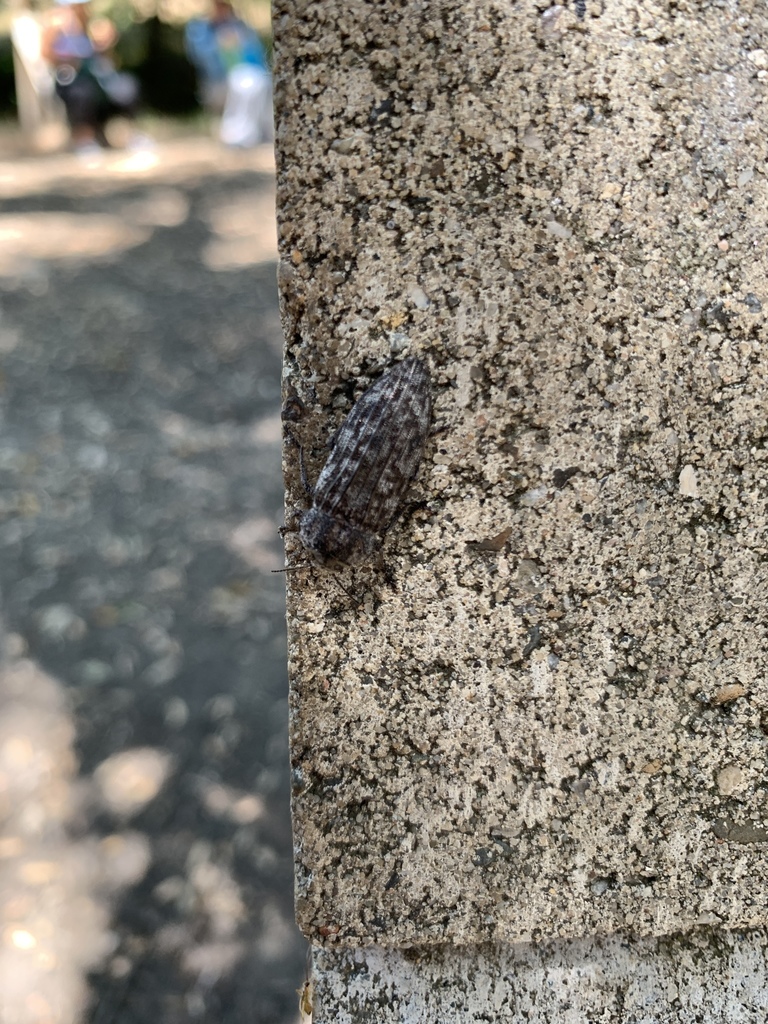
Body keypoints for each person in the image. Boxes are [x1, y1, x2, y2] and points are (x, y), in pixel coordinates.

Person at [41, 0, 143, 155]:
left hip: (96, 80)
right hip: (70, 82)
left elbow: (102, 58)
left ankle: (133, 135)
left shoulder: (89, 26)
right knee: (83, 93)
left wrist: (104, 45)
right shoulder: (55, 28)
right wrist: (69, 59)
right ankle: (84, 140)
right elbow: (46, 54)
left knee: (127, 86)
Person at [185, 0, 273, 147]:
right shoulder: (198, 30)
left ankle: (262, 132)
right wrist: (219, 45)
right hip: (217, 84)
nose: (221, 9)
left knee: (261, 82)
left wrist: (239, 44)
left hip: (250, 77)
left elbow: (258, 59)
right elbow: (199, 58)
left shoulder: (242, 28)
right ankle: (235, 133)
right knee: (244, 82)